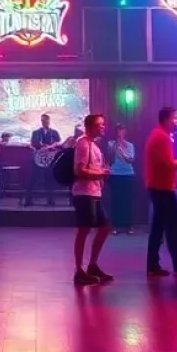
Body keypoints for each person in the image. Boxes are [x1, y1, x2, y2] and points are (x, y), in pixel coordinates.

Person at [144, 108, 177, 277]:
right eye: (176, 118)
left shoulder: (160, 135)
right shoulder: (161, 137)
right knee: (169, 226)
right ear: (165, 119)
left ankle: (160, 263)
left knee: (162, 226)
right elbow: (170, 164)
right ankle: (173, 263)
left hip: (161, 187)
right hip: (163, 188)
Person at [72, 114, 113, 285]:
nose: (103, 127)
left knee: (105, 227)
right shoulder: (83, 144)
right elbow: (79, 171)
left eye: (103, 124)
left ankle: (92, 265)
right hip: (84, 193)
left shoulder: (94, 145)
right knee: (84, 230)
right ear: (89, 127)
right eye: (99, 125)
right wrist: (101, 173)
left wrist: (101, 174)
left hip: (94, 193)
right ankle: (79, 270)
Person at [27, 113, 61, 207]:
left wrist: (51, 146)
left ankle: (50, 200)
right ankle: (28, 199)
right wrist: (43, 146)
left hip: (49, 159)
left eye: (46, 120)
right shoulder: (36, 132)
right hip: (38, 158)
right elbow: (33, 143)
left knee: (49, 179)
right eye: (43, 120)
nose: (44, 122)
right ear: (41, 122)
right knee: (33, 178)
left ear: (49, 121)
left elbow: (58, 143)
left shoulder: (54, 132)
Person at [106, 124, 136, 233]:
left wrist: (122, 149)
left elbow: (130, 159)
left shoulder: (130, 145)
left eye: (122, 131)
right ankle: (115, 225)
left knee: (127, 200)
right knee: (115, 200)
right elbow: (109, 158)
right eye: (119, 131)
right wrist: (116, 146)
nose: (120, 133)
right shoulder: (111, 144)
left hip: (128, 174)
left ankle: (128, 225)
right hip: (115, 174)